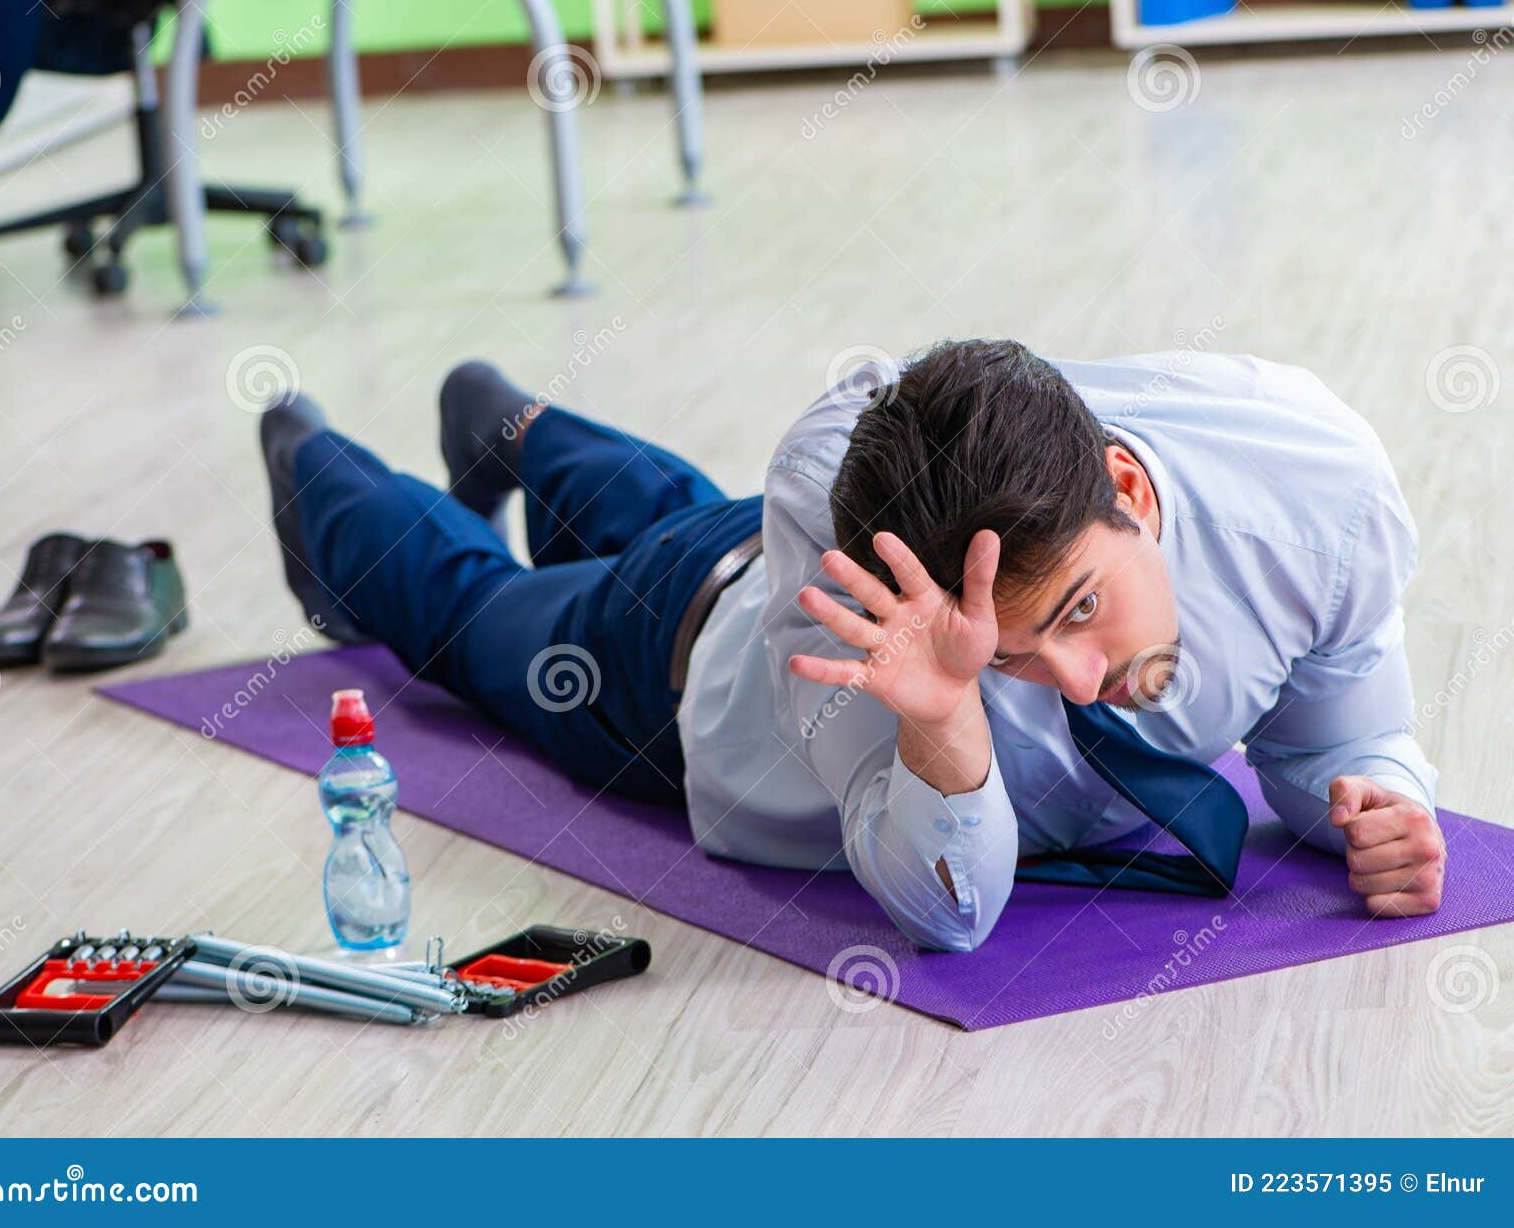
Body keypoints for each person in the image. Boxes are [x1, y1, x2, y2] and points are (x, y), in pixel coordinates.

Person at [259, 342, 1446, 952]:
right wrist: (939, 713)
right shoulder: (842, 523)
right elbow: (950, 914)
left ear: (1126, 486)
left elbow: (1344, 725)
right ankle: (311, 459)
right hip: (658, 668)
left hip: (749, 543)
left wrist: (1377, 795)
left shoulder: (1309, 484)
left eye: (1079, 610)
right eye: (1013, 656)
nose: (1086, 685)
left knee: (675, 504)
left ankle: (510, 423)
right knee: (471, 609)